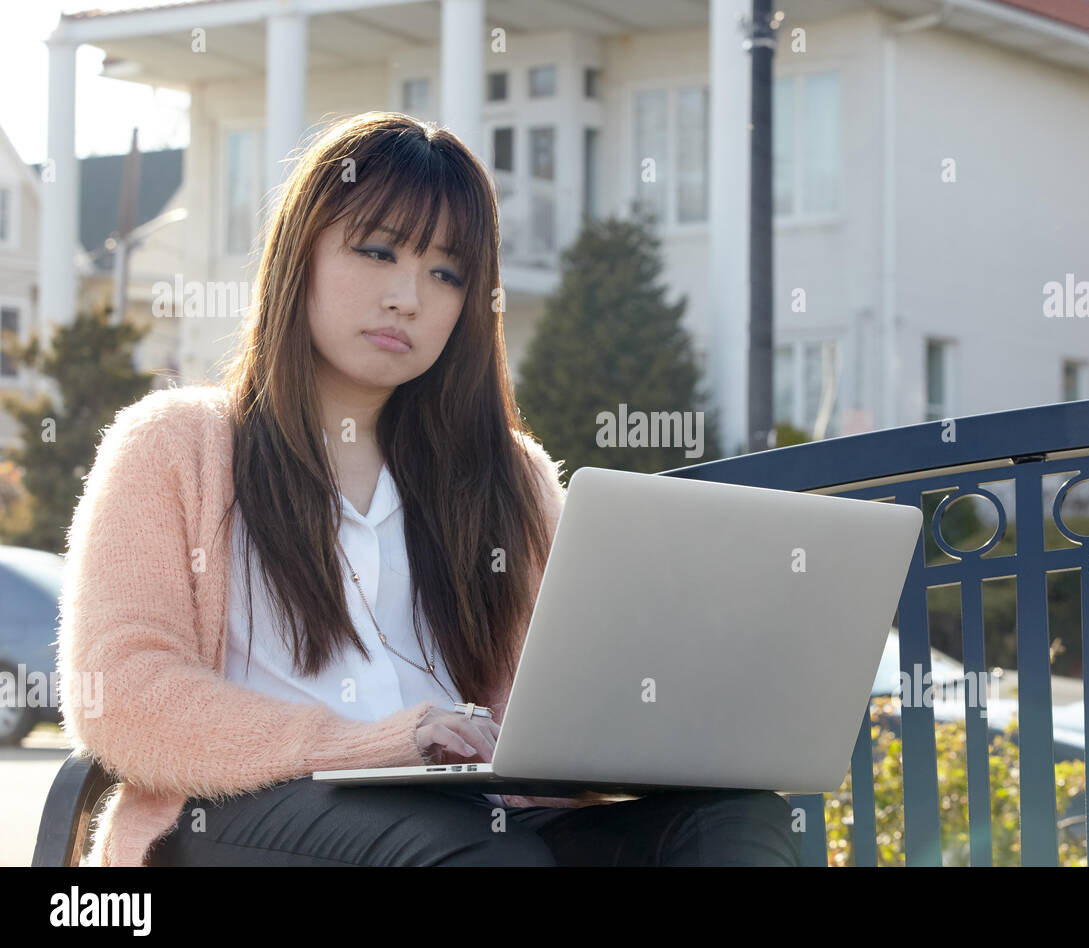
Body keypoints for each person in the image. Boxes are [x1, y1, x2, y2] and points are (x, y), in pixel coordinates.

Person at [57, 111, 802, 866]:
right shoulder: (177, 445)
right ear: (298, 256)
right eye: (377, 252)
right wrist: (370, 744)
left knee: (734, 825)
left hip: (475, 817)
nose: (407, 297)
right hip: (236, 817)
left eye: (446, 273)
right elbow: (119, 693)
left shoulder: (510, 480)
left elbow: (543, 709)